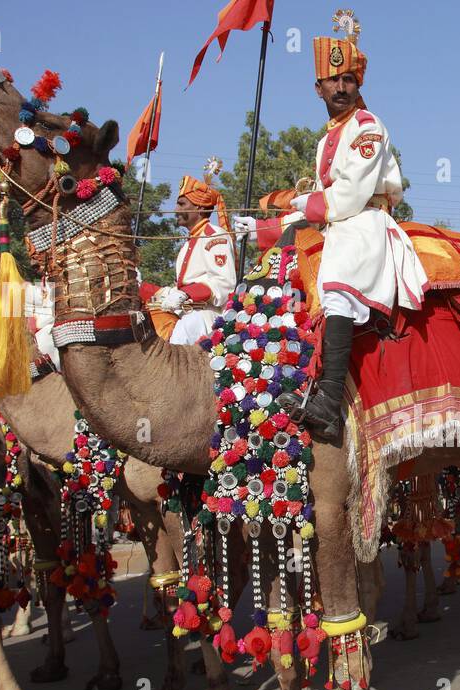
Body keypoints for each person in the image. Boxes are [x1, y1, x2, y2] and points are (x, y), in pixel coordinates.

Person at [236, 12, 429, 442]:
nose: (341, 88)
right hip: (337, 223)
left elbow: (349, 197)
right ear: (317, 87)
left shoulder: (367, 127)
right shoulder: (326, 140)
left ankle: (329, 401)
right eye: (333, 80)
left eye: (350, 80)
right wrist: (266, 229)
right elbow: (317, 208)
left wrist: (302, 202)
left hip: (364, 222)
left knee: (336, 282)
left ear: (359, 85)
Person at [153, 170, 237, 346]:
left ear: (199, 207)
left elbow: (224, 283)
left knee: (175, 346)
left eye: (181, 204)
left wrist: (186, 293)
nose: (176, 210)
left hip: (205, 317)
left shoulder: (214, 236)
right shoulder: (188, 243)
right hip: (185, 315)